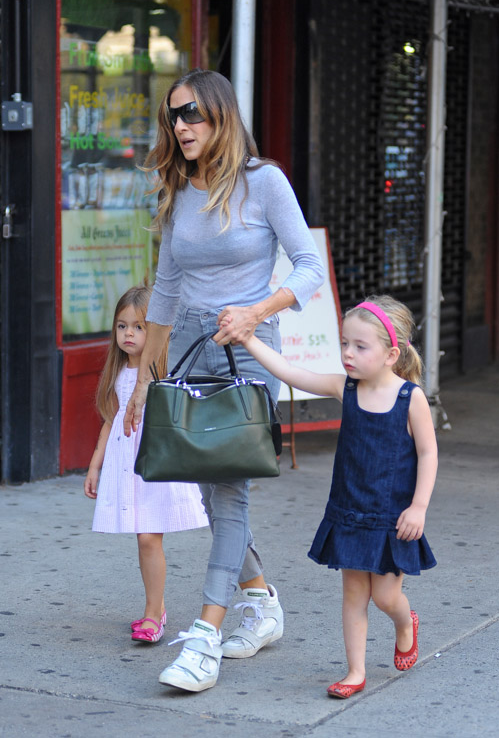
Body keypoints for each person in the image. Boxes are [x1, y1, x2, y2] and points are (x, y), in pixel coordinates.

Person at [123, 68, 325, 692]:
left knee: (230, 492)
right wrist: (144, 377)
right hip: (186, 349)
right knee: (210, 494)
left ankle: (205, 637)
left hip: (246, 351)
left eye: (190, 115)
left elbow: (310, 267)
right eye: (173, 117)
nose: (179, 126)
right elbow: (166, 286)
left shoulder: (264, 183)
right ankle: (260, 602)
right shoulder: (179, 188)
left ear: (220, 115)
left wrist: (258, 312)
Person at [237, 295, 438, 698]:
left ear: (390, 353)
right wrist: (248, 341)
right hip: (349, 510)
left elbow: (428, 452)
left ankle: (404, 623)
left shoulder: (409, 398)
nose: (347, 353)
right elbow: (291, 372)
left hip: (391, 516)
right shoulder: (344, 388)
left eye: (360, 346)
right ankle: (355, 671)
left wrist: (418, 507)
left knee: (385, 596)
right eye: (344, 343)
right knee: (353, 594)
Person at [84, 285, 208, 644]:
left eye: (138, 327)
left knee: (150, 536)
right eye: (122, 326)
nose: (128, 334)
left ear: (155, 331)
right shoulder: (119, 371)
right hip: (127, 466)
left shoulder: (165, 370)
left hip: (158, 462)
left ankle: (154, 613)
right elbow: (111, 419)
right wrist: (95, 466)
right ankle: (155, 606)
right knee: (143, 538)